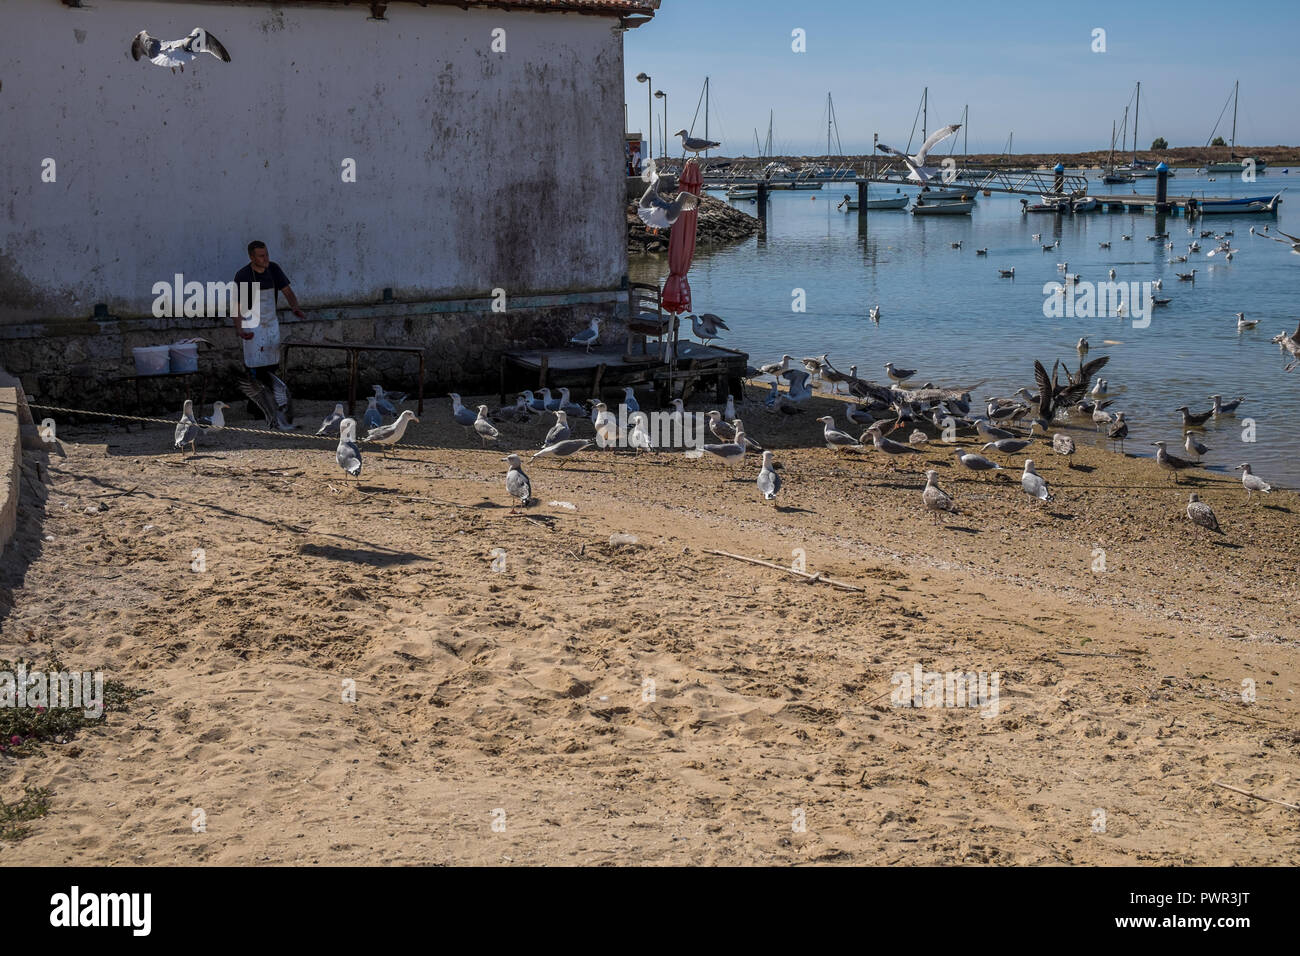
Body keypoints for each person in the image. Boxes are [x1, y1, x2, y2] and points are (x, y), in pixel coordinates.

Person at [233, 241, 306, 417]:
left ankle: (273, 403)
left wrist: (294, 306)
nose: (266, 258)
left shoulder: (274, 269)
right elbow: (237, 306)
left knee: (272, 365)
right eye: (261, 255)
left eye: (266, 254)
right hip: (252, 324)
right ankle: (256, 406)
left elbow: (287, 291)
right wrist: (240, 329)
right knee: (255, 367)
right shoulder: (243, 275)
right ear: (252, 257)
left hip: (271, 323)